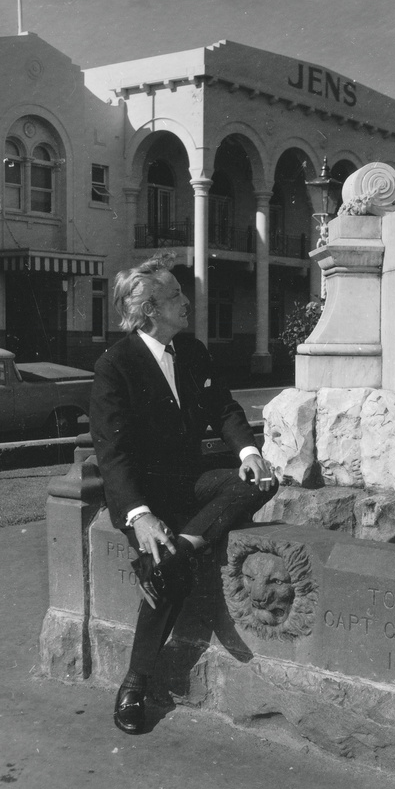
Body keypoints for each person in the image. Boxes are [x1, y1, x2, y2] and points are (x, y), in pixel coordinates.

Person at [89, 254, 277, 734]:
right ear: (150, 309)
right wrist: (141, 516)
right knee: (168, 573)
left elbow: (226, 409)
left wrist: (249, 452)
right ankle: (135, 684)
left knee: (258, 482)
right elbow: (113, 455)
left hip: (189, 484)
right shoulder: (115, 365)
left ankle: (182, 548)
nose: (185, 301)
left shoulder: (192, 351)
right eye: (174, 295)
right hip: (145, 499)